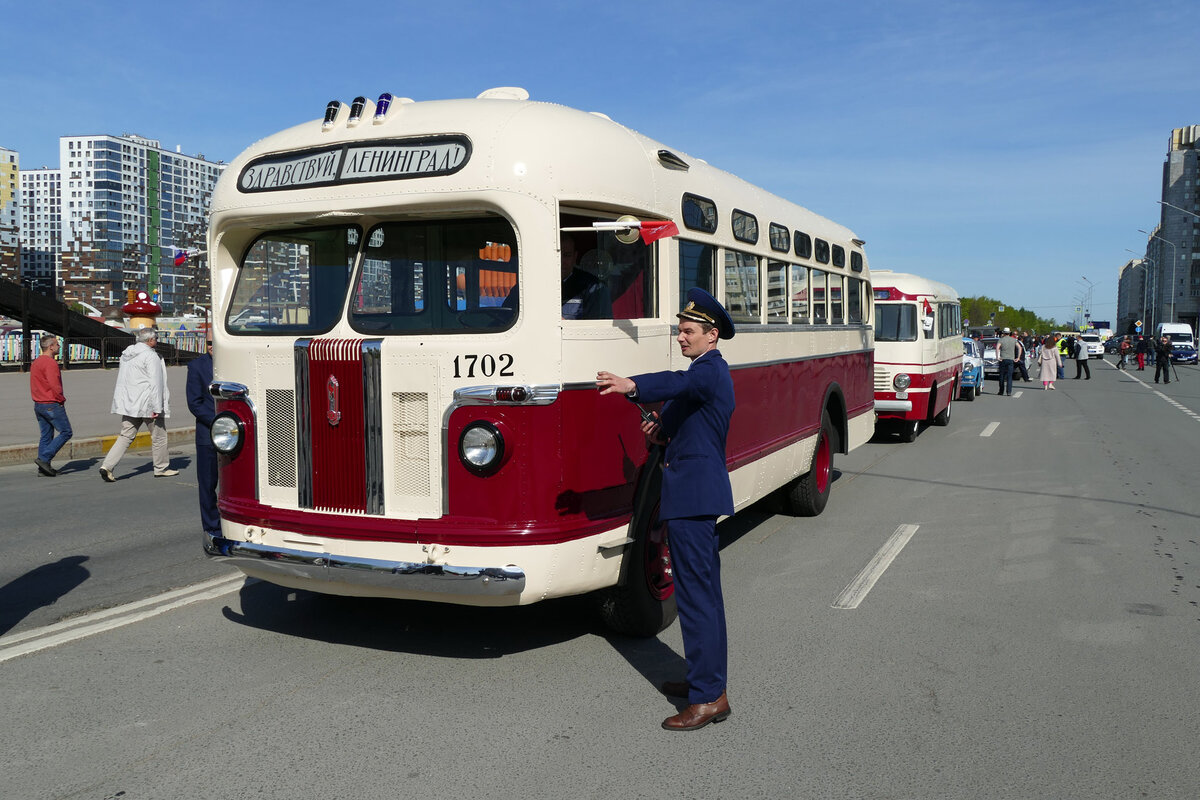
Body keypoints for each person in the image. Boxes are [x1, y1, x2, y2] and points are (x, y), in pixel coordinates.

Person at [596, 288, 735, 732]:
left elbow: (676, 383)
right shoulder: (703, 376)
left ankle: (709, 698)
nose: (681, 337)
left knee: (697, 600)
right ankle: (705, 684)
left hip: (694, 499)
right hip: (693, 497)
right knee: (702, 597)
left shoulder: (708, 371)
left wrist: (631, 383)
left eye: (688, 331)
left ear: (712, 336)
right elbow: (676, 414)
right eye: (680, 330)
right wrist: (659, 430)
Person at [98, 327, 178, 481]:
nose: (156, 341)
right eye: (155, 338)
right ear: (150, 340)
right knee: (159, 436)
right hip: (147, 403)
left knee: (126, 435)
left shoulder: (127, 354)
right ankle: (161, 467)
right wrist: (157, 406)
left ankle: (107, 465)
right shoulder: (150, 356)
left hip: (130, 402)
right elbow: (156, 383)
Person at [186, 338, 219, 538]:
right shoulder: (196, 366)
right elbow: (194, 402)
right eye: (208, 342)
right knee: (207, 483)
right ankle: (212, 527)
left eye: (214, 341)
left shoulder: (237, 361)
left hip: (238, 434)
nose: (211, 346)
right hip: (208, 432)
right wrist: (219, 422)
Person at [30, 333, 73, 476]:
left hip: (39, 404)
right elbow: (55, 386)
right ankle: (43, 459)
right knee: (66, 432)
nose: (59, 346)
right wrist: (61, 399)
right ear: (50, 347)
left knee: (46, 436)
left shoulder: (36, 362)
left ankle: (43, 468)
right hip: (51, 403)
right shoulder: (50, 363)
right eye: (57, 344)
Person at [560, 235, 611, 320]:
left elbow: (597, 327)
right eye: (556, 255)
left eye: (566, 255)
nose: (561, 261)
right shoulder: (535, 284)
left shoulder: (594, 287)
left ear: (575, 257)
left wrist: (566, 325)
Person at [996, 327, 1017, 396]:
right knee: (1009, 376)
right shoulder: (1013, 340)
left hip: (1003, 359)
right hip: (1011, 359)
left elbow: (997, 348)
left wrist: (997, 357)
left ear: (1003, 333)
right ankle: (1009, 392)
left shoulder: (1001, 340)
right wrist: (1018, 357)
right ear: (1009, 333)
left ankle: (1001, 391)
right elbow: (1020, 347)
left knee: (1001, 375)